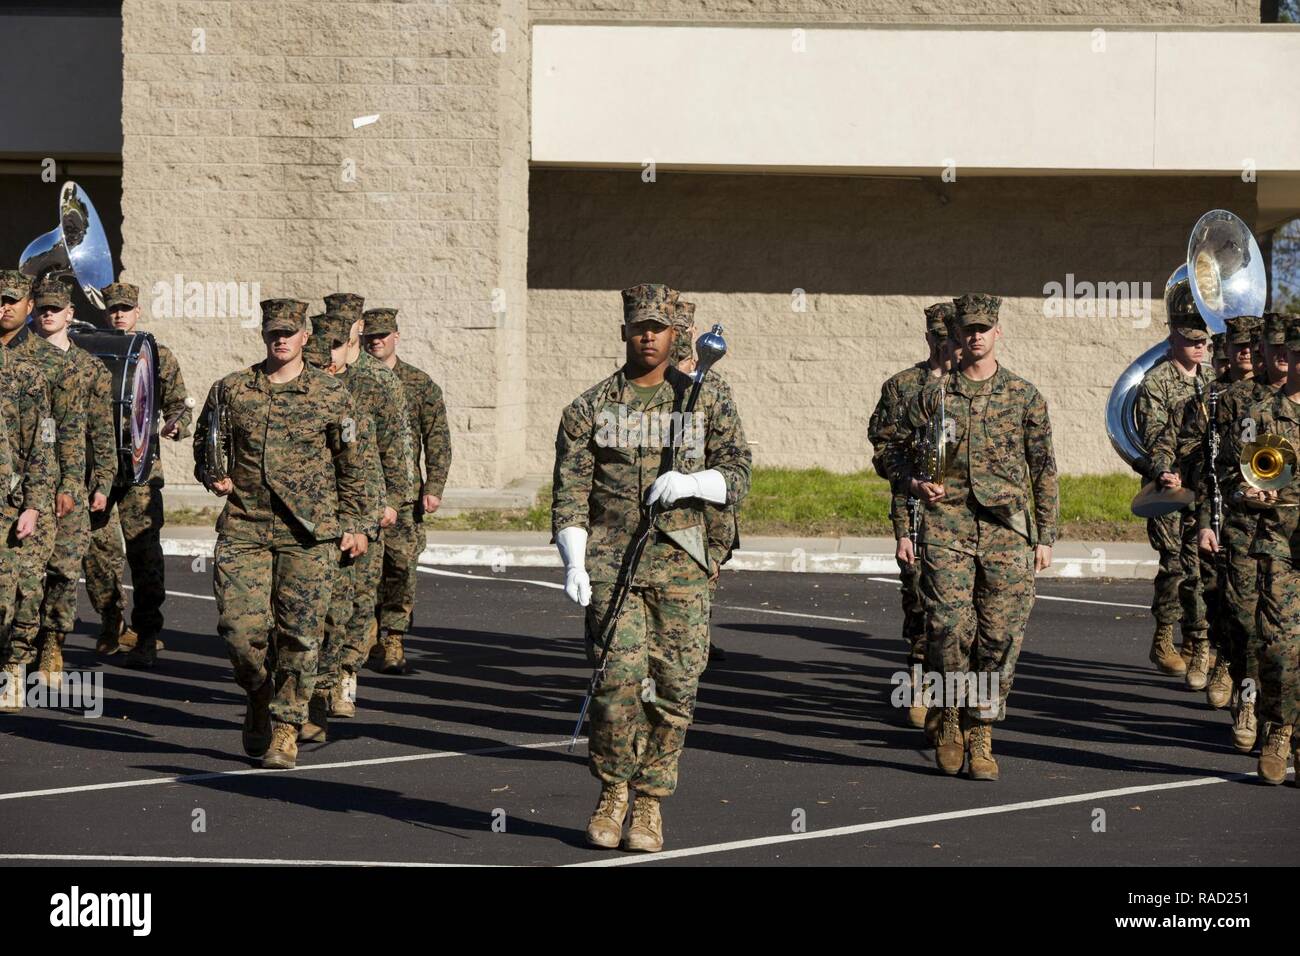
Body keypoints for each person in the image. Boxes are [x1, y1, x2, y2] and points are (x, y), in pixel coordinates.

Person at [553, 282, 752, 852]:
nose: (648, 336)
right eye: (639, 327)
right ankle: (613, 790)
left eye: (659, 328)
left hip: (683, 566)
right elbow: (570, 494)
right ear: (624, 332)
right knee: (616, 686)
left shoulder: (706, 397)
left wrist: (692, 482)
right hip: (613, 569)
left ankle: (649, 802)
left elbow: (738, 472)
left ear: (675, 334)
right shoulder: (589, 408)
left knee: (674, 687)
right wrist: (573, 560)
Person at [193, 299, 370, 769]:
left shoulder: (332, 396)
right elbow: (206, 441)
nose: (281, 339)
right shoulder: (232, 389)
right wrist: (212, 474)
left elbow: (355, 463)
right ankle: (258, 693)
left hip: (308, 533)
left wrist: (357, 524)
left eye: (290, 332)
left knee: (300, 634)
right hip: (245, 526)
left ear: (305, 338)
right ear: (264, 335)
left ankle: (287, 728)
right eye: (274, 332)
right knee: (239, 631)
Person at [900, 294, 1058, 781]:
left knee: (999, 636)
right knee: (948, 628)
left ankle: (981, 729)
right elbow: (891, 451)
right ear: (957, 335)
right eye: (968, 329)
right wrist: (912, 482)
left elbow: (1044, 470)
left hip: (1007, 529)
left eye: (984, 329)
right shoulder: (933, 396)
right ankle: (949, 717)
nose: (975, 337)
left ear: (998, 333)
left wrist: (1045, 534)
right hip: (945, 528)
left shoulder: (1026, 396)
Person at [9, 275, 114, 689]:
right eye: (44, 308)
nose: (49, 314)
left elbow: (101, 431)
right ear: (34, 310)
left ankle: (53, 641)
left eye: (58, 308)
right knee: (27, 571)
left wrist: (102, 481)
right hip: (27, 481)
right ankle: (21, 645)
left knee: (65, 568)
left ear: (71, 314)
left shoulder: (90, 369)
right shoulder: (18, 359)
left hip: (74, 483)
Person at [82, 282, 192, 667]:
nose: (119, 315)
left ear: (138, 311)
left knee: (145, 554)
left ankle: (147, 634)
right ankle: (111, 623)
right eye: (113, 308)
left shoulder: (157, 354)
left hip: (142, 472)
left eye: (126, 308)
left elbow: (180, 406)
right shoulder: (89, 352)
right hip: (97, 471)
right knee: (100, 552)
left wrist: (177, 425)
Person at [299, 310, 396, 740]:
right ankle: (312, 690)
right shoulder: (299, 389)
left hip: (364, 508)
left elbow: (393, 445)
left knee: (354, 602)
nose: (328, 360)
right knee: (317, 608)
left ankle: (345, 673)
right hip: (316, 516)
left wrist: (393, 500)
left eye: (335, 348)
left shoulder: (372, 383)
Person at [1195, 315, 1284, 749]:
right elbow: (1211, 467)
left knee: (1282, 632)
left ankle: (1279, 718)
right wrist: (1204, 522)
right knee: (1245, 619)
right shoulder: (1235, 402)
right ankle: (1247, 701)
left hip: (1290, 531)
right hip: (1241, 525)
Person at [868, 301, 957, 727]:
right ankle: (921, 682)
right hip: (919, 514)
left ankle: (954, 703)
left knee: (960, 617)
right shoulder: (902, 387)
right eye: (940, 339)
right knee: (920, 604)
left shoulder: (977, 389)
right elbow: (888, 456)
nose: (948, 348)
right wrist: (903, 527)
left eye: (953, 338)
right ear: (929, 339)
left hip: (968, 521)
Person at [362, 309, 451, 674]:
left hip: (404, 495)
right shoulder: (351, 381)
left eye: (383, 335)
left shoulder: (419, 384)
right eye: (370, 336)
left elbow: (438, 438)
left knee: (400, 566)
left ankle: (394, 635)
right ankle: (365, 633)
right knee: (363, 569)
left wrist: (434, 485)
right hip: (362, 493)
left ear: (396, 336)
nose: (376, 341)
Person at [1135, 309, 1215, 681]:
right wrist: (1163, 469)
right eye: (1191, 340)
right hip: (1168, 486)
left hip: (1203, 484)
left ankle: (1197, 642)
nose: (1199, 346)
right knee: (1174, 565)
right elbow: (1155, 434)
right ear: (1173, 340)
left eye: (1203, 341)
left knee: (1200, 564)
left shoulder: (1214, 379)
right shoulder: (1157, 382)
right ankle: (1164, 638)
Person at [1240, 316, 1300, 785]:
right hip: (1278, 541)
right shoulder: (1261, 413)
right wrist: (1250, 493)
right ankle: (1278, 726)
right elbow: (1236, 475)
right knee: (1278, 646)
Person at [0, 270, 51, 713]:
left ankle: (14, 668)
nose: (2, 307)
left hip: (10, 503)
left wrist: (34, 504)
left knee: (16, 594)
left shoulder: (27, 373)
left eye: (10, 300)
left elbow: (41, 445)